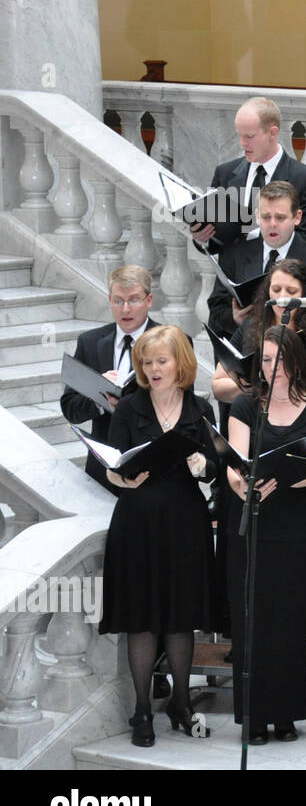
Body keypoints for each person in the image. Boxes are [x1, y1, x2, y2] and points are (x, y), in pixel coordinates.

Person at [97, 326, 215, 747]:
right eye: (146, 363)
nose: (153, 368)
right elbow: (112, 464)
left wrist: (204, 466)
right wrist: (120, 479)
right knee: (142, 620)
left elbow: (217, 468)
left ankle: (182, 703)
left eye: (161, 361)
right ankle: (143, 709)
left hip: (185, 522)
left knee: (181, 618)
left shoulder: (200, 409)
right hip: (138, 523)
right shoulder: (129, 408)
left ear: (180, 362)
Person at [225, 325, 306, 744]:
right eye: (267, 360)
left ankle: (287, 714)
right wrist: (245, 485)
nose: (274, 369)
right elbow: (236, 464)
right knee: (253, 622)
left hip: (298, 530)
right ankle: (253, 716)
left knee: (290, 623)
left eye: (281, 359)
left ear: (297, 361)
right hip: (253, 527)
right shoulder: (244, 405)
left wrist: (283, 480)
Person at [60, 265, 164, 493]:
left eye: (134, 300)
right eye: (118, 301)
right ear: (109, 300)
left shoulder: (171, 341)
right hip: (103, 469)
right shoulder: (89, 342)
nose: (125, 309)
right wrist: (99, 398)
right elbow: (70, 408)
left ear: (149, 300)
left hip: (154, 467)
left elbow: (184, 407)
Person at [190, 95, 306, 249]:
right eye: (240, 135)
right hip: (231, 271)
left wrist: (263, 233)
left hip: (277, 271)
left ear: (272, 133)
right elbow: (215, 243)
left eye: (249, 136)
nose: (243, 143)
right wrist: (202, 238)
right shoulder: (225, 173)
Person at [205, 181, 306, 342]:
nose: (272, 224)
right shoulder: (234, 255)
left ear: (297, 217)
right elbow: (216, 307)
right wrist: (235, 319)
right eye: (266, 217)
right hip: (244, 350)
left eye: (280, 217)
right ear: (257, 216)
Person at [211, 258, 306, 407]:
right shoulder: (251, 326)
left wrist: (260, 388)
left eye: (291, 291)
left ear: (305, 294)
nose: (282, 297)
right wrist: (271, 388)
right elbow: (218, 386)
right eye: (276, 290)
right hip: (254, 420)